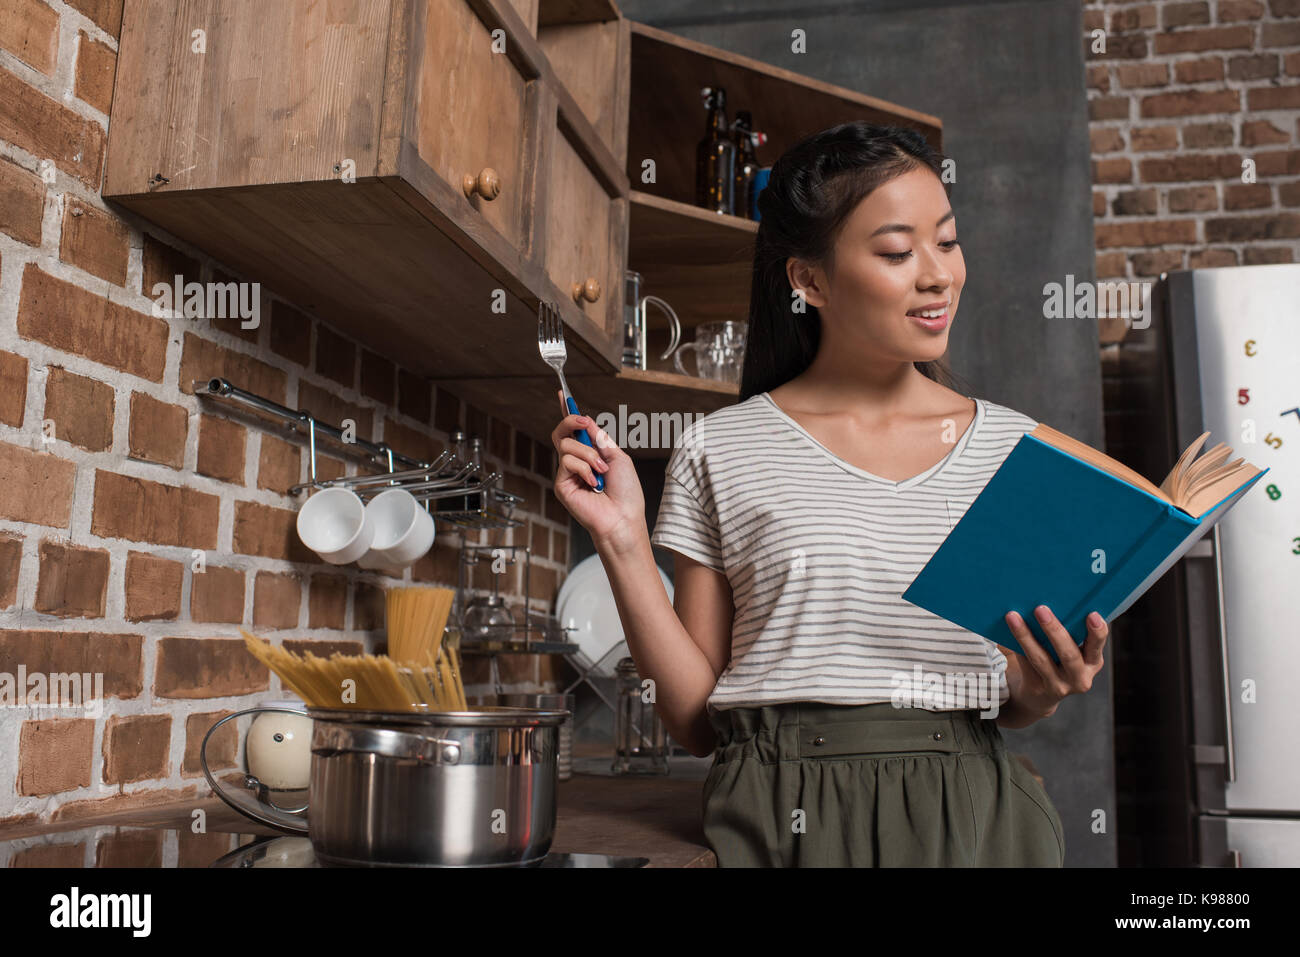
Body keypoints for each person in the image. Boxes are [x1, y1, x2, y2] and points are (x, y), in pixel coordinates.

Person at [548, 122, 1109, 867]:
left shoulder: (1015, 451)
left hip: (977, 815)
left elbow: (1009, 699)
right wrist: (621, 538)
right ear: (808, 281)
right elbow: (696, 719)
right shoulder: (721, 449)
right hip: (775, 816)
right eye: (897, 251)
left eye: (947, 240)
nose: (938, 274)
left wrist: (1044, 688)